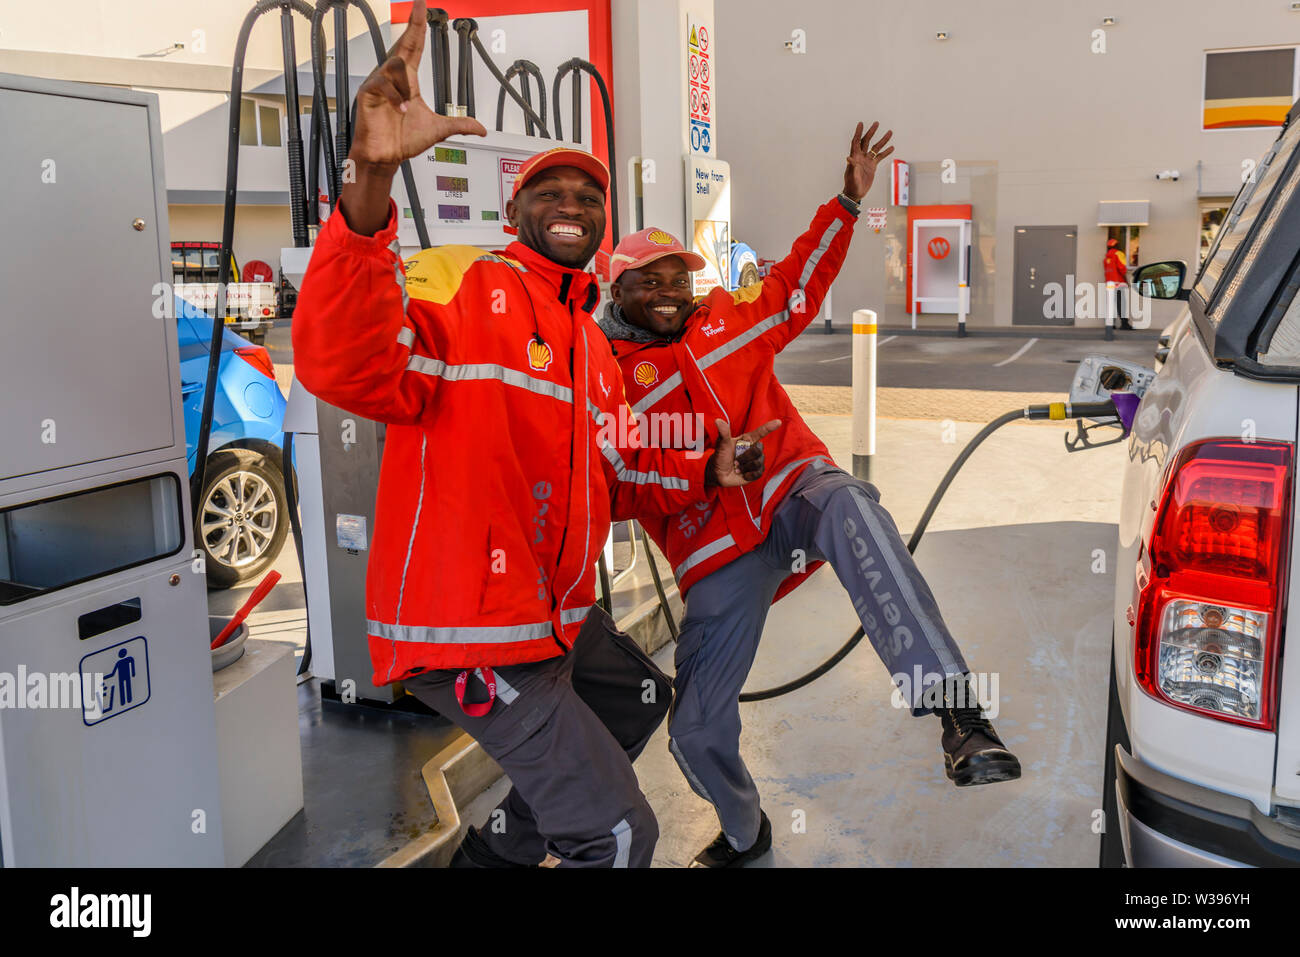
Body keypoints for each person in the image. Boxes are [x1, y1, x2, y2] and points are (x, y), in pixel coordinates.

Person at [291, 0, 778, 868]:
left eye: (587, 195)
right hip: (472, 626)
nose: (571, 204)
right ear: (516, 215)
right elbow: (349, 365)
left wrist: (712, 465)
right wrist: (368, 182)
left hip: (548, 618)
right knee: (621, 831)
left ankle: (491, 858)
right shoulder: (474, 296)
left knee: (635, 697)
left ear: (601, 226)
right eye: (549, 192)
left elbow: (617, 469)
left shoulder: (590, 342)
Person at [599, 122, 1022, 868]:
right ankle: (745, 833)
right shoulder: (601, 373)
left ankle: (958, 714)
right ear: (618, 289)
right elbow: (616, 487)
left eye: (677, 277)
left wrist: (847, 202)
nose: (668, 293)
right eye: (649, 281)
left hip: (794, 489)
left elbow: (798, 282)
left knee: (852, 501)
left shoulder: (728, 317)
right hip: (714, 551)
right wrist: (704, 471)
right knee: (693, 728)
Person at [1104, 237, 1131, 330]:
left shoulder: (1106, 257)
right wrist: (1126, 281)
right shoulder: (1118, 254)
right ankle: (1124, 324)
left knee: (1111, 304)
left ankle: (1111, 324)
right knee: (1121, 304)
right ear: (1116, 245)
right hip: (1119, 283)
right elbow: (1122, 269)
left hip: (1109, 284)